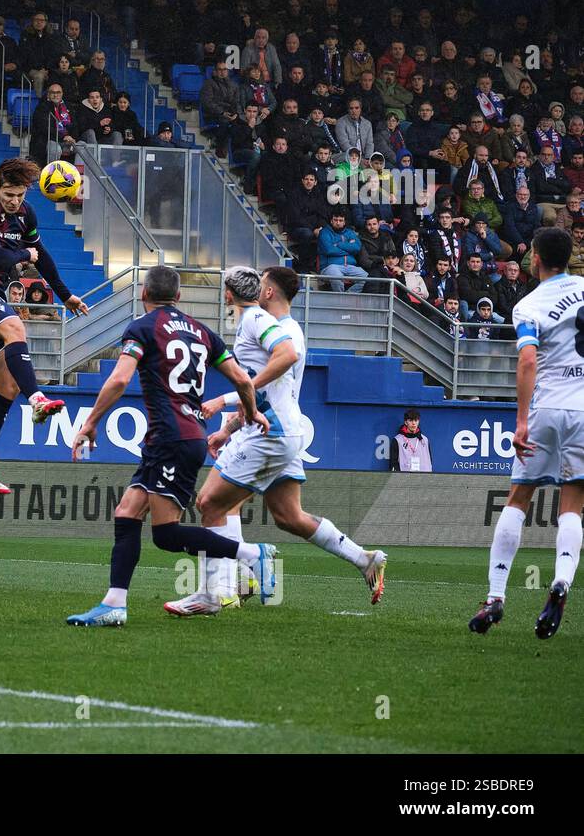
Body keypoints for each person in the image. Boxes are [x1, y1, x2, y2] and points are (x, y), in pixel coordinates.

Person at [64, 265, 269, 627]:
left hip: (171, 439)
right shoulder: (204, 333)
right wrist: (251, 414)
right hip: (180, 436)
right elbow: (243, 380)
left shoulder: (142, 328)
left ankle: (251, 554)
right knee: (126, 513)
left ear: (143, 294)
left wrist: (91, 421)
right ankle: (114, 604)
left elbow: (120, 378)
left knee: (166, 534)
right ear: (178, 297)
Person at [191, 267, 388, 611]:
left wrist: (227, 402)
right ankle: (363, 558)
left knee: (214, 503)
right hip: (279, 425)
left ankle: (231, 582)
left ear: (267, 291)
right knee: (288, 515)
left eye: (262, 281)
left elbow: (267, 380)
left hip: (273, 431)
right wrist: (229, 427)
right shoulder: (280, 327)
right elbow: (266, 389)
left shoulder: (279, 331)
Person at [469, 228, 584, 638]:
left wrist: (520, 420)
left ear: (535, 258)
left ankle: (495, 598)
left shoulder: (528, 305)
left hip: (547, 408)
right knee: (573, 504)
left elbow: (527, 363)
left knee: (518, 498)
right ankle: (561, 582)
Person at [0, 158, 88, 494]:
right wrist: (24, 254)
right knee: (16, 328)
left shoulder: (25, 213)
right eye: (8, 194)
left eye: (20, 194)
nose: (14, 201)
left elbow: (43, 254)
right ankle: (38, 398)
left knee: (6, 386)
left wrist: (65, 294)